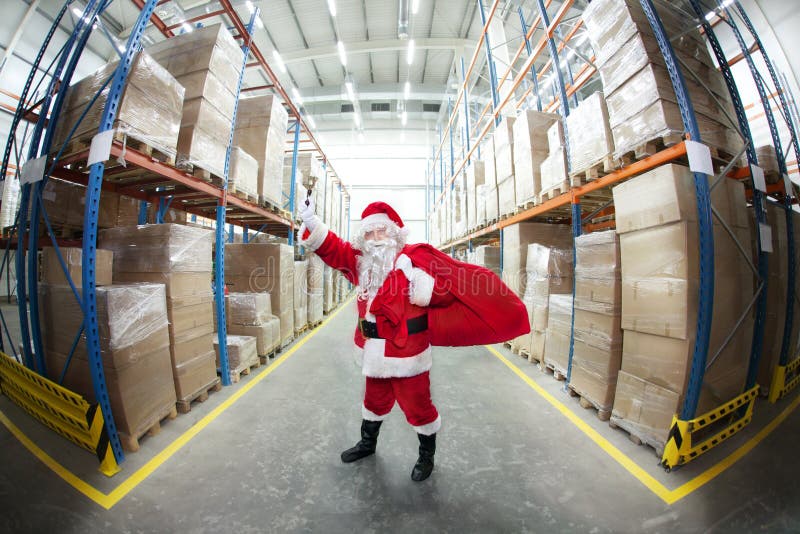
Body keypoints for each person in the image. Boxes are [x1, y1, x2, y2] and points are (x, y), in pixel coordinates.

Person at [298, 200, 529, 482]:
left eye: (380, 232)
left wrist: (427, 291)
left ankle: (426, 456)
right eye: (368, 234)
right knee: (373, 401)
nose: (374, 240)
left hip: (408, 353)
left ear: (394, 233)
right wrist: (311, 222)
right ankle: (367, 444)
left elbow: (449, 288)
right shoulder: (362, 263)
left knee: (418, 408)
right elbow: (333, 249)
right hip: (374, 352)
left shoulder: (414, 260)